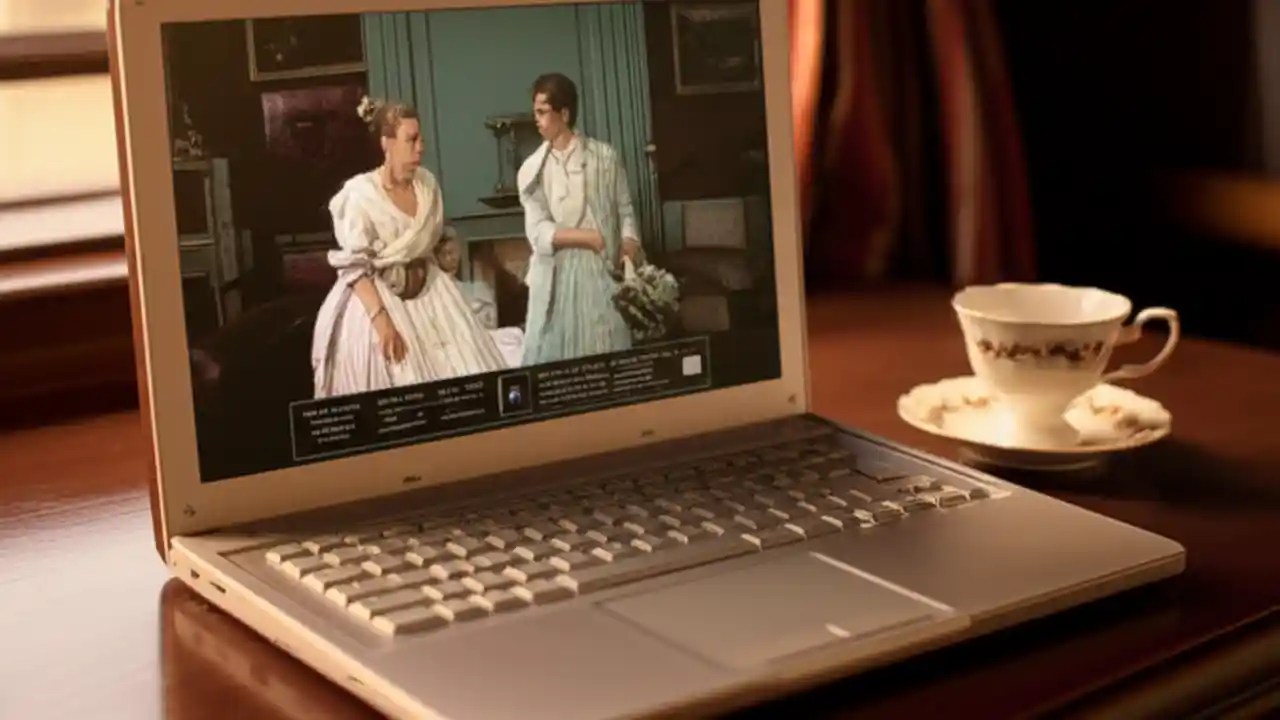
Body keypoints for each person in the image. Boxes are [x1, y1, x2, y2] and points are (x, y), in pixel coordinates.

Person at [311, 97, 507, 398]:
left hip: (430, 292)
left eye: (421, 140)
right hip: (378, 298)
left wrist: (445, 249)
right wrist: (382, 321)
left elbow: (437, 235)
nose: (420, 148)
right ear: (386, 143)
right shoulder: (360, 194)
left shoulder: (426, 184)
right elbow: (355, 267)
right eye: (411, 140)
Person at [516, 72, 643, 365]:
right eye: (535, 111)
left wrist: (628, 242)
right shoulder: (533, 169)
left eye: (542, 112)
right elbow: (537, 231)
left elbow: (625, 210)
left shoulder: (604, 158)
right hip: (557, 273)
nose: (536, 119)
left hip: (600, 271)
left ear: (565, 113)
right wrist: (587, 237)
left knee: (604, 351)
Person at [433, 231, 526, 368]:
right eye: (444, 254)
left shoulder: (479, 285)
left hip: (484, 331)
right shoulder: (437, 289)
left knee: (513, 338)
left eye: (452, 252)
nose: (450, 258)